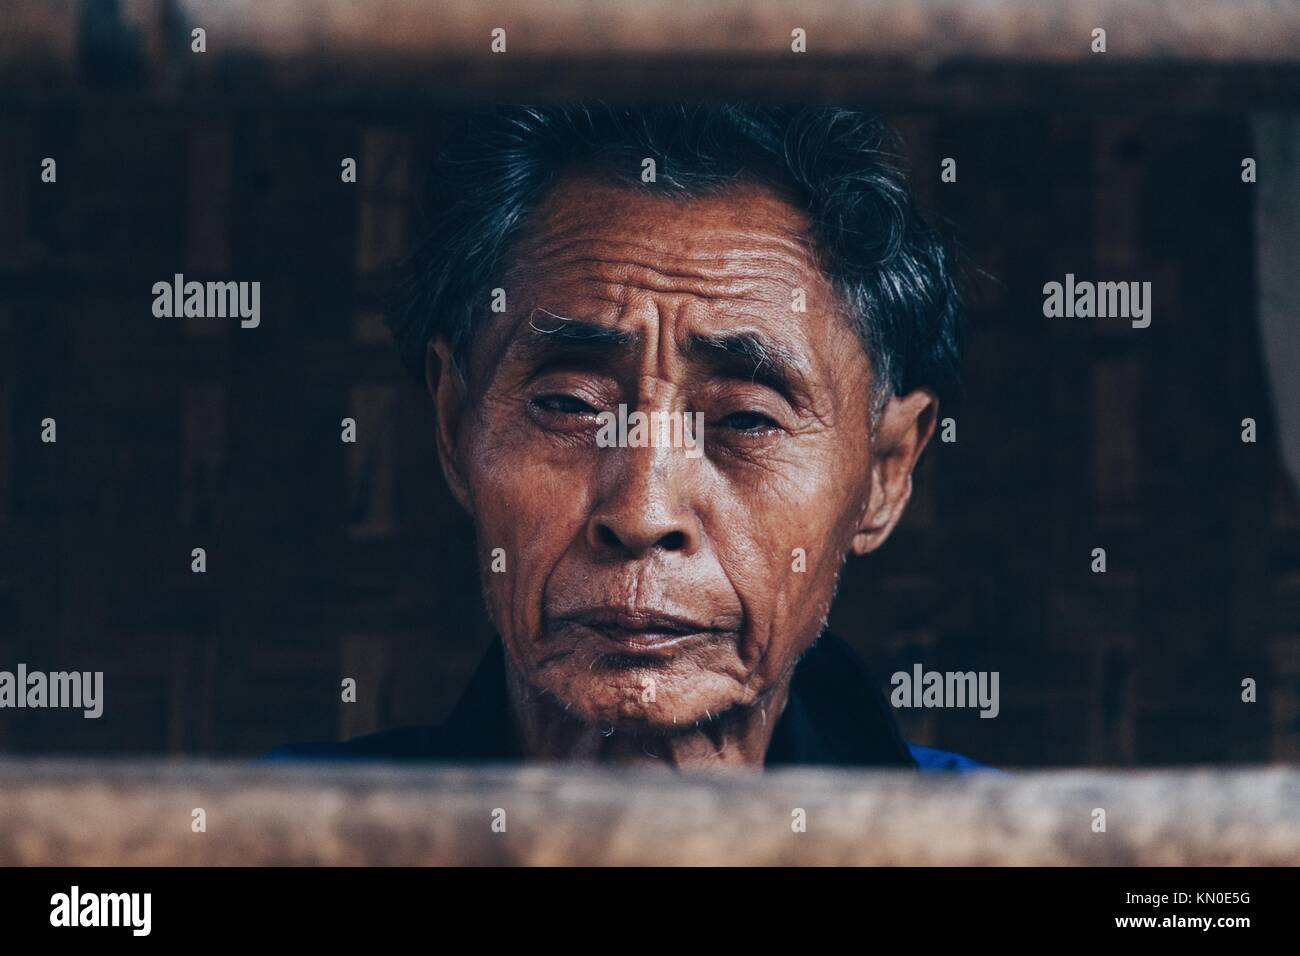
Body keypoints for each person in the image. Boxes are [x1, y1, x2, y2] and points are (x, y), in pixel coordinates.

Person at [274, 103, 985, 772]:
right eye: (571, 405)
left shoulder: (1009, 850)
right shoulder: (265, 839)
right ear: (455, 424)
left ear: (886, 472)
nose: (643, 513)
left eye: (745, 419)